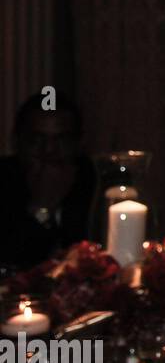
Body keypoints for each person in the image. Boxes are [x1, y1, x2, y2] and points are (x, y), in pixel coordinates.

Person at [0, 94, 96, 271]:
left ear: (78, 144)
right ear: (17, 142)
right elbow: (10, 259)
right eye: (37, 140)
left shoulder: (96, 182)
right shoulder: (4, 181)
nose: (49, 151)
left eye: (61, 140)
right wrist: (41, 208)